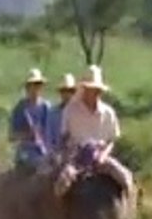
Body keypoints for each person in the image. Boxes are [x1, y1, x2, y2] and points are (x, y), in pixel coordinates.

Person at [58, 65, 134, 195]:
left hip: (101, 157)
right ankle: (59, 214)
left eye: (95, 90)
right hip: (76, 158)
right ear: (83, 89)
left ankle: (128, 211)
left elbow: (112, 140)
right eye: (88, 89)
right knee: (61, 185)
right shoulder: (70, 110)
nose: (91, 93)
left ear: (99, 91)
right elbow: (64, 137)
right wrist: (70, 156)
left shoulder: (108, 112)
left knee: (125, 178)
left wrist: (103, 155)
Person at [9, 68, 51, 171]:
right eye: (33, 85)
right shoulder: (20, 108)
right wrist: (28, 135)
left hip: (44, 151)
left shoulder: (46, 107)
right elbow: (12, 136)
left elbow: (51, 132)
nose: (36, 88)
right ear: (27, 87)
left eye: (38, 85)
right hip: (25, 152)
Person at [44, 73, 77, 158]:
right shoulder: (52, 113)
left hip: (76, 155)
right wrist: (53, 153)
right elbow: (49, 138)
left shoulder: (80, 113)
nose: (67, 94)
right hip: (57, 154)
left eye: (70, 91)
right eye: (64, 91)